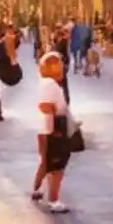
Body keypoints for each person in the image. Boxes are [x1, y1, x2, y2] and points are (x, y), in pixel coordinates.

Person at [31, 52, 71, 213]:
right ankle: (53, 200)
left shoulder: (47, 83)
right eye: (59, 64)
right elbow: (44, 106)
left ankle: (37, 189)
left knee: (45, 161)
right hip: (53, 130)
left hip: (46, 129)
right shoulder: (50, 84)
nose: (62, 67)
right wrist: (57, 115)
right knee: (56, 166)